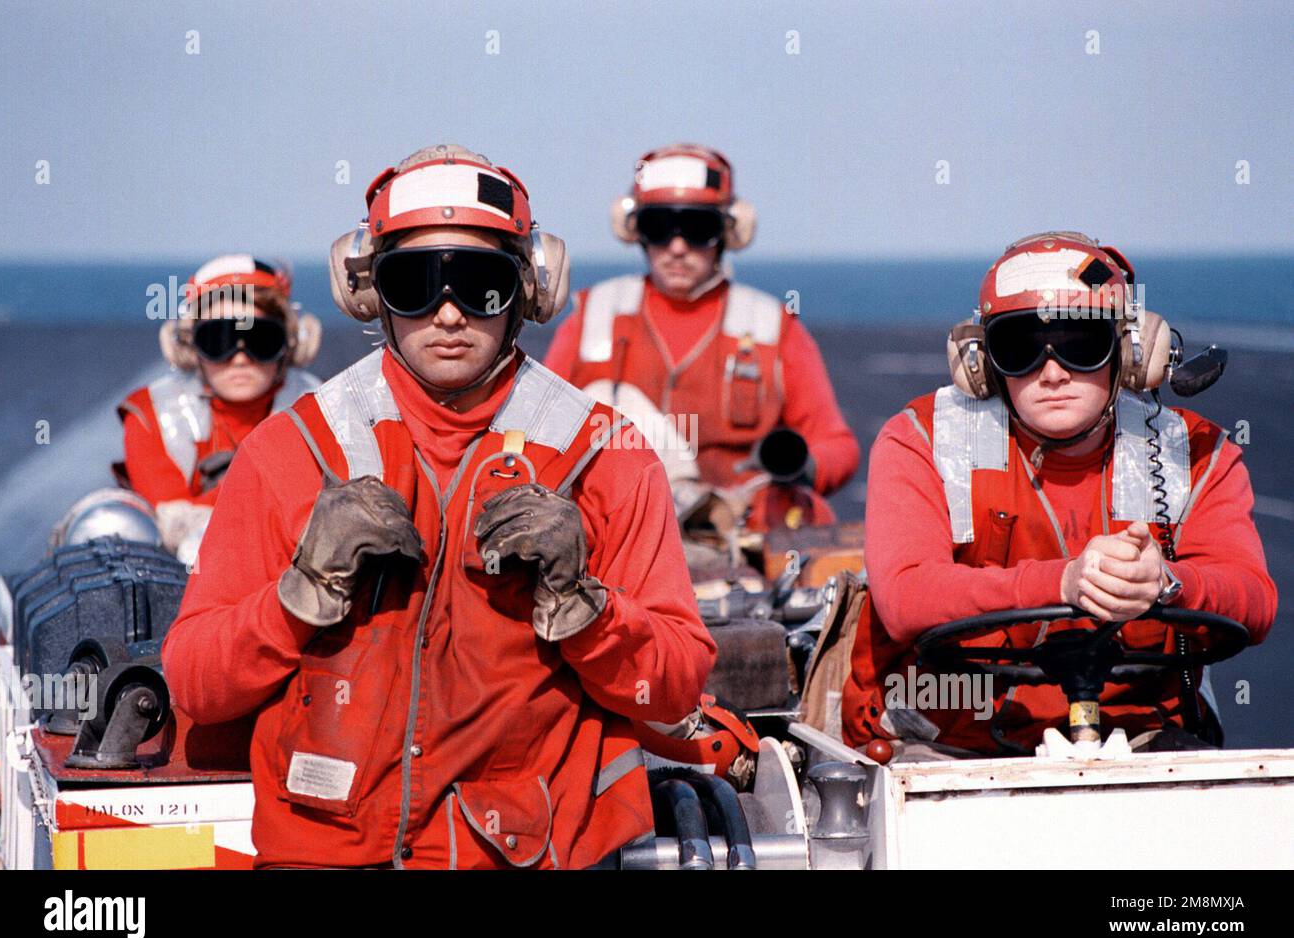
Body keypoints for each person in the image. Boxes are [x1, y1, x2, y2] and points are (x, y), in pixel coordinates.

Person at [161, 144, 716, 869]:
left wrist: (588, 610)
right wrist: (298, 596)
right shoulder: (291, 450)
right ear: (370, 293)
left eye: (480, 283)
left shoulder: (602, 454)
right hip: (326, 853)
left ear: (529, 292)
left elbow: (675, 683)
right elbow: (197, 681)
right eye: (415, 282)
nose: (448, 313)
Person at [842, 232, 1277, 758]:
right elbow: (906, 599)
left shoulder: (1194, 452)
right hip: (953, 740)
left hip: (1137, 735)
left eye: (1080, 345)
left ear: (1131, 352)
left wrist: (1166, 583)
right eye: (1020, 348)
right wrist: (1065, 582)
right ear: (981, 362)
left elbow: (1254, 599)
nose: (1052, 372)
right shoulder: (921, 439)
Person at [544, 144, 859, 530]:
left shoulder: (773, 326)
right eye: (659, 228)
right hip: (617, 526)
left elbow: (836, 443)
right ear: (635, 232)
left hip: (743, 532)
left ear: (728, 232)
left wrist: (798, 466)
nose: (677, 248)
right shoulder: (593, 314)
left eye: (697, 229)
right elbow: (539, 425)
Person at [116, 256, 322, 560]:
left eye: (260, 339)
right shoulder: (151, 414)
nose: (240, 358)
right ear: (188, 345)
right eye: (219, 339)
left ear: (290, 343)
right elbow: (173, 525)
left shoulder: (323, 410)